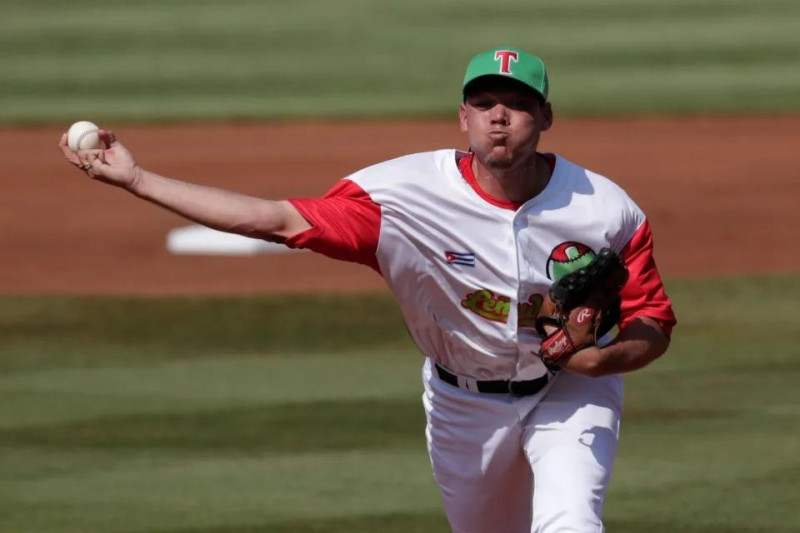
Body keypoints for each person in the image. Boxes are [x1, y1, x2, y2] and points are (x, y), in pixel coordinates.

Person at [60, 46, 676, 533]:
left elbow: (653, 321)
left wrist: (601, 359)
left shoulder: (605, 208)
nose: (498, 115)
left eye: (516, 103)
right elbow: (275, 220)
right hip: (465, 403)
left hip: (568, 392)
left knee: (571, 521)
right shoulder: (400, 197)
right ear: (462, 117)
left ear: (543, 116)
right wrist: (138, 179)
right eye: (483, 101)